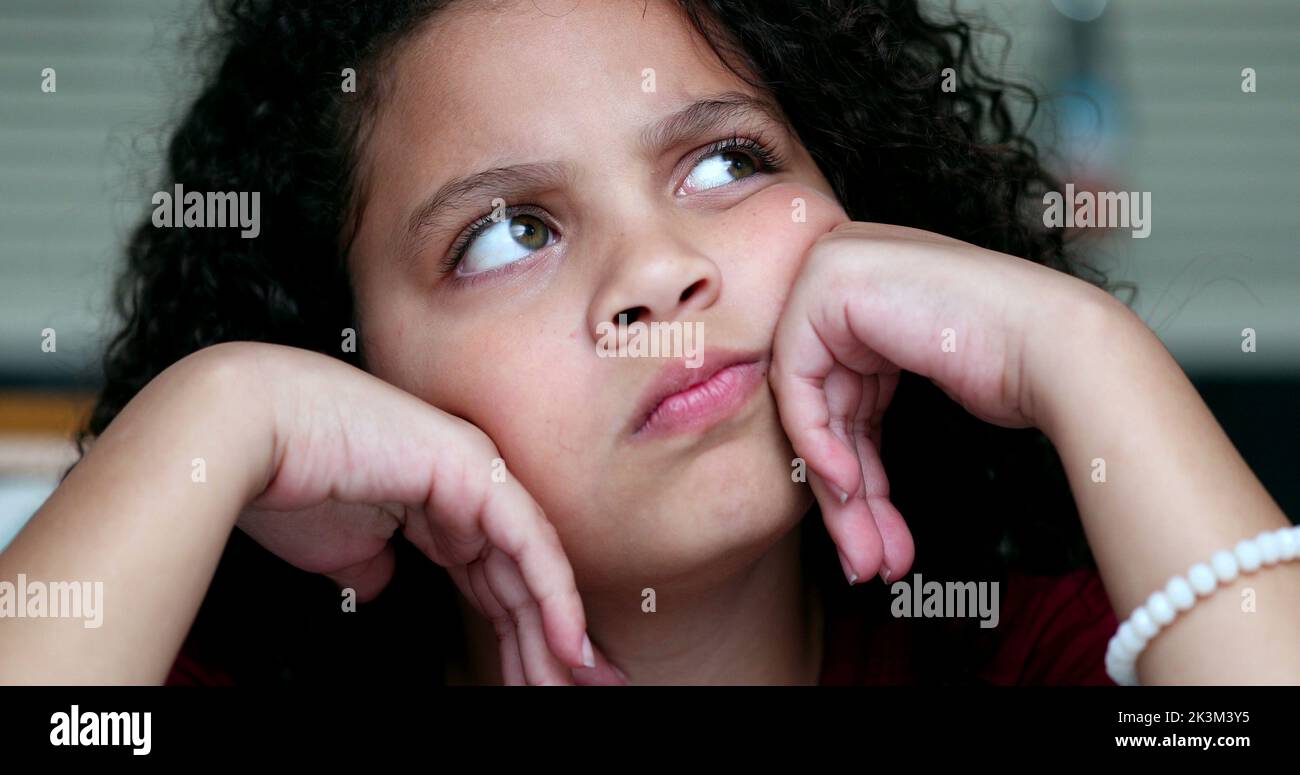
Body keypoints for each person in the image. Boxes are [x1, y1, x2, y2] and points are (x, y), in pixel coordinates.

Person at [2, 0, 1296, 685]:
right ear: (352, 374)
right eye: (508, 234)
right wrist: (215, 413)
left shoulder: (1029, 663)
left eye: (727, 161)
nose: (662, 272)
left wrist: (1081, 346)